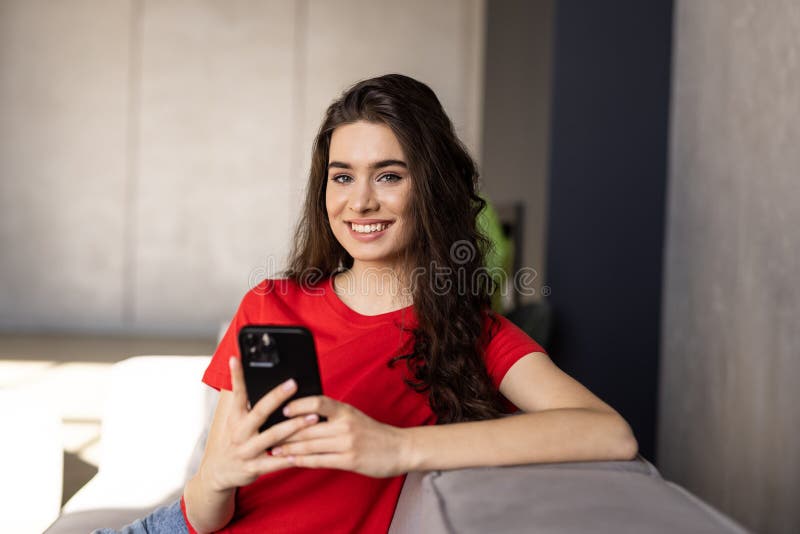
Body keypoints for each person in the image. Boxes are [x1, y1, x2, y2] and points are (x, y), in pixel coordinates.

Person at [96, 73, 638, 534]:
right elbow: (205, 514)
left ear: (431, 188)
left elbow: (608, 433)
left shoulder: (473, 332)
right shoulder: (271, 303)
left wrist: (395, 448)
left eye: (389, 176)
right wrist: (220, 473)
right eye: (342, 177)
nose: (360, 201)